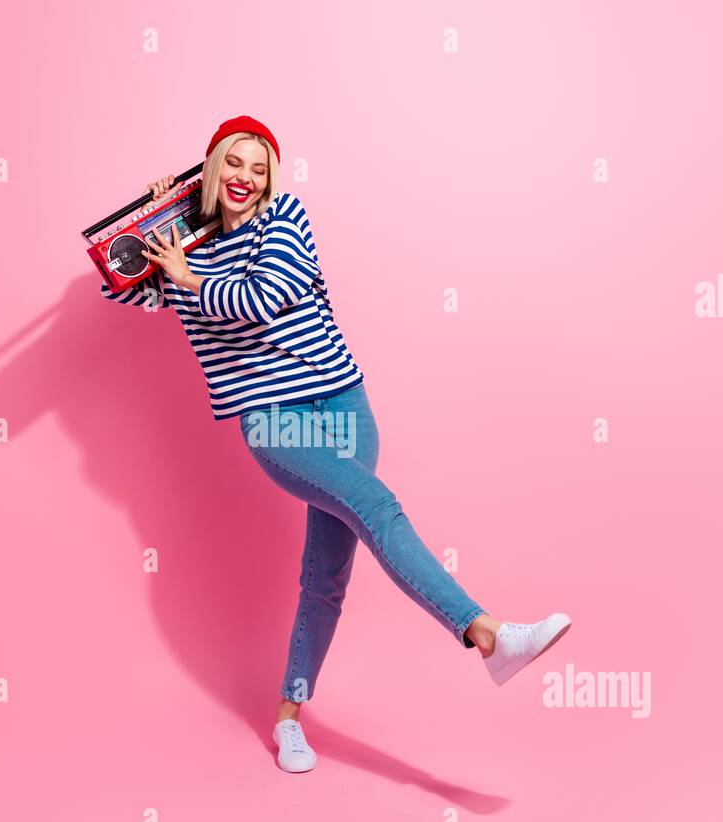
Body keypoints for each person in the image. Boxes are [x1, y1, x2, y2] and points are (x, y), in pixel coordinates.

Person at [99, 115, 572, 773]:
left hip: (343, 401)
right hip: (271, 417)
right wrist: (155, 220)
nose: (246, 177)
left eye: (259, 167)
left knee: (325, 579)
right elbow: (122, 289)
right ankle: (488, 634)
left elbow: (267, 296)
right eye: (233, 163)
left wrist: (191, 278)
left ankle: (290, 718)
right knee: (378, 507)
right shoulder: (185, 246)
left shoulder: (283, 217)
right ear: (208, 169)